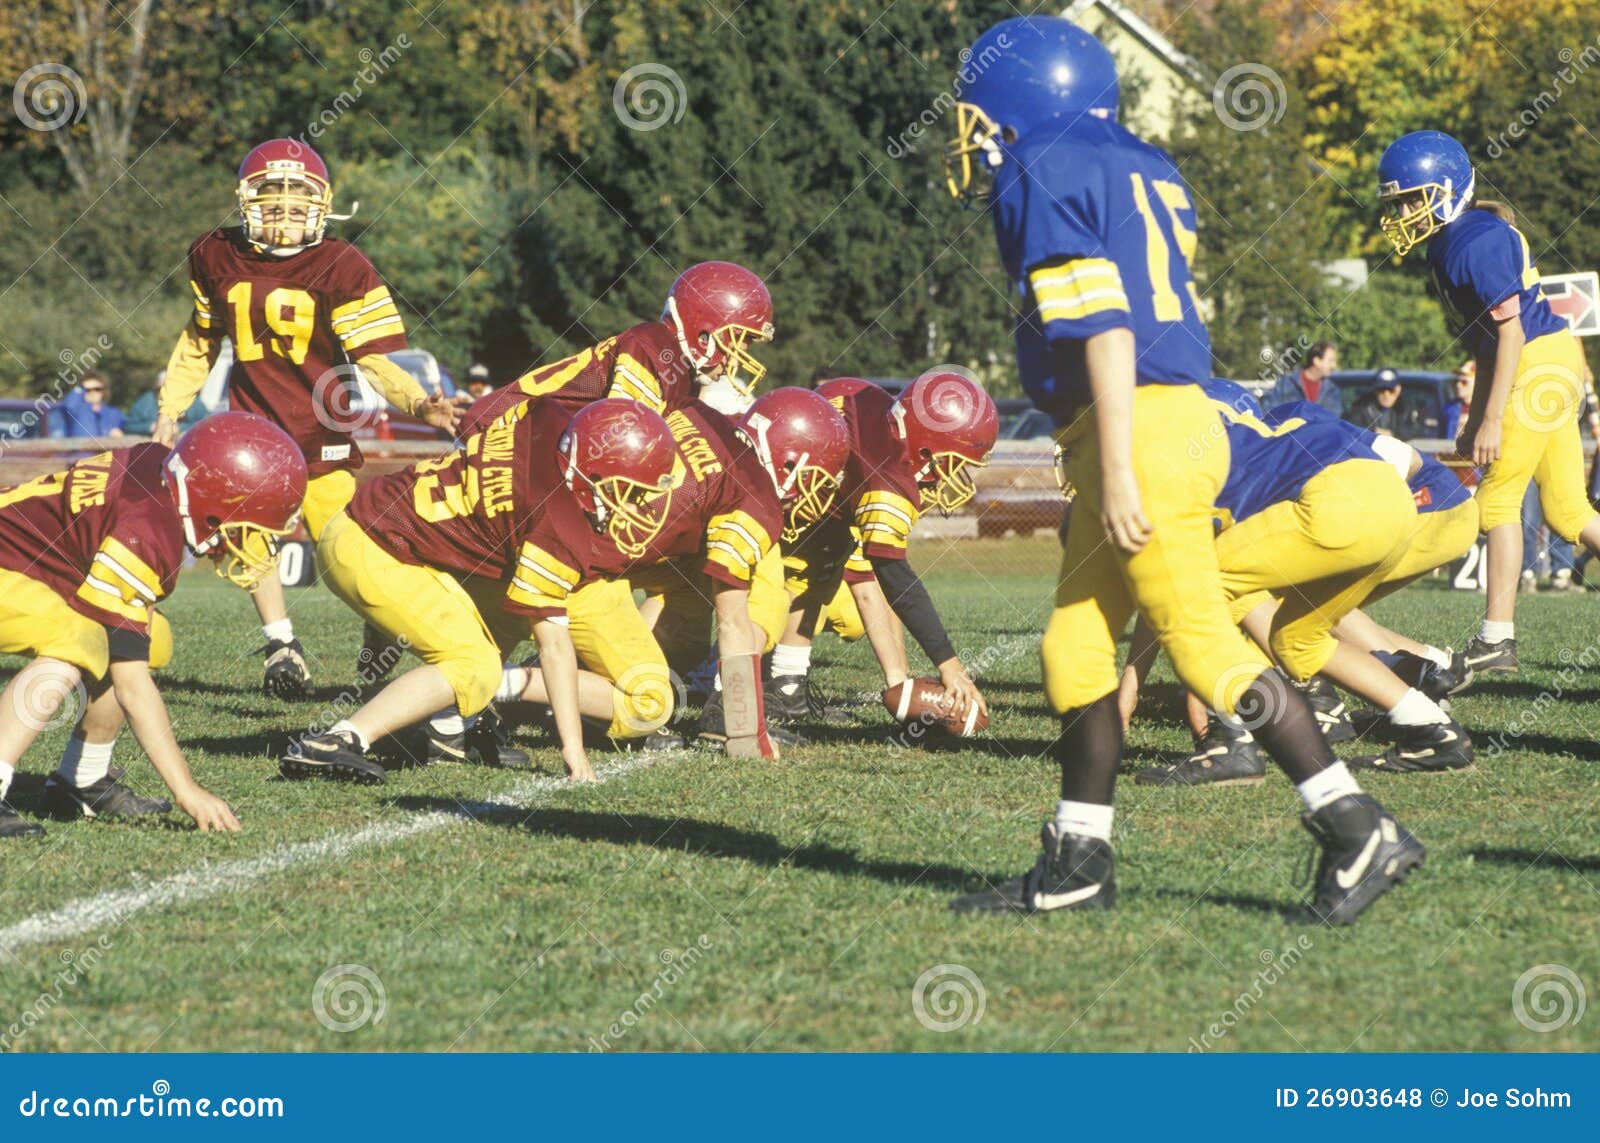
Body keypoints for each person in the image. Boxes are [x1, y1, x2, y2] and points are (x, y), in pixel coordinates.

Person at [943, 17, 1422, 924]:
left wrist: (1115, 463)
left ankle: (1356, 825)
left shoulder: (1041, 158)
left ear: (1021, 99)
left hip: (1141, 425)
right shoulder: (1140, 160)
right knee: (1075, 649)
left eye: (977, 111)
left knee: (1202, 639)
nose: (970, 131)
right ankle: (1078, 858)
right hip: (1167, 416)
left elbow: (1107, 326)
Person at [154, 138, 461, 700]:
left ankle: (381, 641)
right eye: (274, 205)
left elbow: (373, 357)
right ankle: (281, 645)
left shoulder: (340, 264)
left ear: (321, 207)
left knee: (356, 550)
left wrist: (418, 403)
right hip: (252, 433)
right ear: (248, 205)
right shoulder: (214, 253)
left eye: (299, 206)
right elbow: (200, 338)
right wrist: (170, 408)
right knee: (248, 540)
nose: (286, 217)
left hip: (321, 432)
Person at [279, 399, 681, 785]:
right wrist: (573, 750)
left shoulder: (549, 421)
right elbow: (554, 647)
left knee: (503, 620)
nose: (640, 503)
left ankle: (449, 727)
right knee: (473, 664)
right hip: (374, 547)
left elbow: (503, 414)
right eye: (631, 489)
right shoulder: (557, 521)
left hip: (378, 521)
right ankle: (335, 740)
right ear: (593, 473)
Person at [0, 412, 306, 838]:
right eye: (248, 527)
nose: (249, 543)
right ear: (213, 503)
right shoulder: (145, 533)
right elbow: (132, 685)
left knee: (149, 639)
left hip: (31, 564)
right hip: (11, 567)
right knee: (75, 642)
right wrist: (187, 789)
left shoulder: (163, 470)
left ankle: (82, 781)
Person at [1378, 129, 1600, 674]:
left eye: (1415, 197)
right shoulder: (1452, 240)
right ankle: (1498, 637)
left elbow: (1510, 335)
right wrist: (1478, 414)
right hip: (1544, 361)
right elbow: (1485, 339)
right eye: (1400, 201)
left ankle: (1497, 639)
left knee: (1496, 504)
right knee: (1569, 511)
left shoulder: (1474, 238)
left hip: (1537, 363)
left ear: (1450, 188)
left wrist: (1492, 418)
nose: (1406, 210)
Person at [757, 372, 995, 731]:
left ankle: (779, 684)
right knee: (778, 595)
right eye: (955, 462)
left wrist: (897, 682)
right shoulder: (885, 481)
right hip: (767, 507)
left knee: (829, 570)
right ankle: (744, 684)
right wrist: (950, 666)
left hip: (797, 503)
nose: (956, 476)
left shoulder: (872, 404)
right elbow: (893, 576)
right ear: (927, 448)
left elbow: (869, 577)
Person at [460, 261, 774, 438]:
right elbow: (621, 439)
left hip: (532, 444)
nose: (743, 351)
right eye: (741, 339)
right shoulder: (651, 348)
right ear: (704, 332)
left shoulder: (674, 364)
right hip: (497, 438)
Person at [1266, 340, 1341, 414]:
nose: (1334, 365)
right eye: (1331, 360)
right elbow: (1268, 412)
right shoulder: (1286, 384)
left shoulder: (1332, 390)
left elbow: (1334, 420)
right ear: (1316, 361)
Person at [126, 370, 206, 436]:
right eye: (161, 388)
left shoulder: (192, 402)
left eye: (171, 389)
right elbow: (128, 425)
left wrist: (180, 427)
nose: (165, 392)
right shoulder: (145, 402)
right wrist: (149, 427)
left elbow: (207, 423)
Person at [52, 371, 126, 439]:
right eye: (87, 390)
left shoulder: (113, 413)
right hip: (82, 452)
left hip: (108, 451)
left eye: (97, 389)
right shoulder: (76, 411)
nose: (92, 392)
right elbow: (68, 405)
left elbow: (128, 432)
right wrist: (80, 388)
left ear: (104, 391)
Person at [1346, 369, 1406, 436]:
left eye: (1391, 390)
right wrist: (1373, 431)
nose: (1386, 395)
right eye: (1381, 390)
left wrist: (1393, 434)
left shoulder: (1408, 409)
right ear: (1375, 390)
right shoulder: (1360, 408)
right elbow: (1351, 428)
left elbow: (1415, 431)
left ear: (1398, 390)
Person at [1444, 360, 1474, 441]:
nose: (1458, 385)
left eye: (1464, 382)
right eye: (1456, 381)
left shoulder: (1485, 409)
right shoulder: (1449, 407)